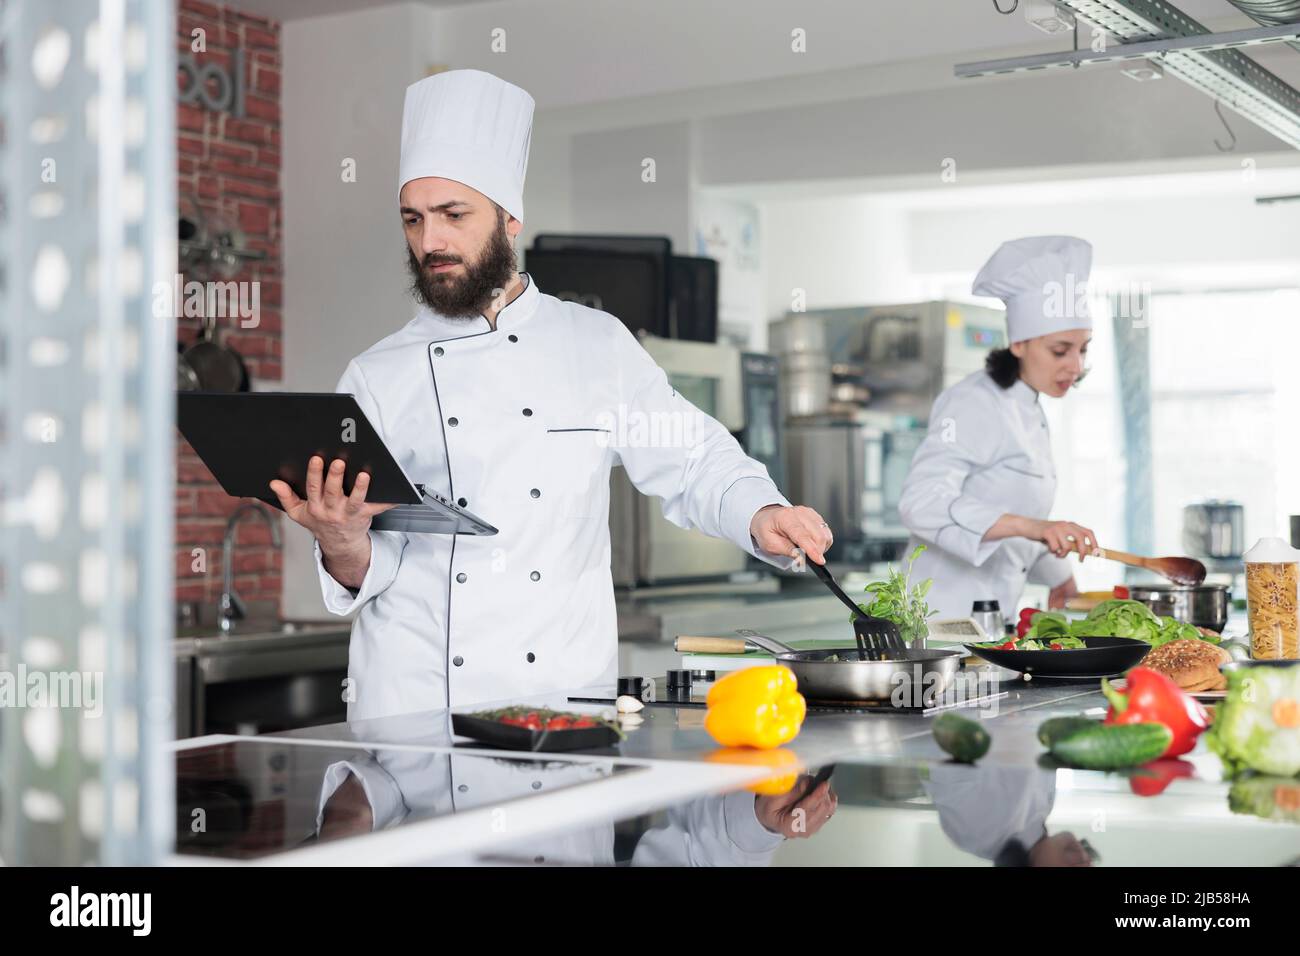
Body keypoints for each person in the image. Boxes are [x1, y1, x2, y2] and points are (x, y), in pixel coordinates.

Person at [269, 70, 832, 720]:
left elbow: (695, 458)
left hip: (559, 709)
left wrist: (762, 511)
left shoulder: (595, 345)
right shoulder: (374, 375)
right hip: (416, 714)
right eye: (413, 219)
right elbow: (369, 561)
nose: (431, 242)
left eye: (454, 216)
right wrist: (340, 542)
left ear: (510, 221)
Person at [898, 235, 1100, 622]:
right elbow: (921, 502)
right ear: (1019, 344)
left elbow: (1017, 523)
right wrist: (1034, 526)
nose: (1075, 366)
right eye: (1061, 350)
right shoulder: (973, 403)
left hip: (992, 619)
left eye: (1083, 348)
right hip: (940, 621)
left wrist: (1060, 578)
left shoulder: (1029, 406)